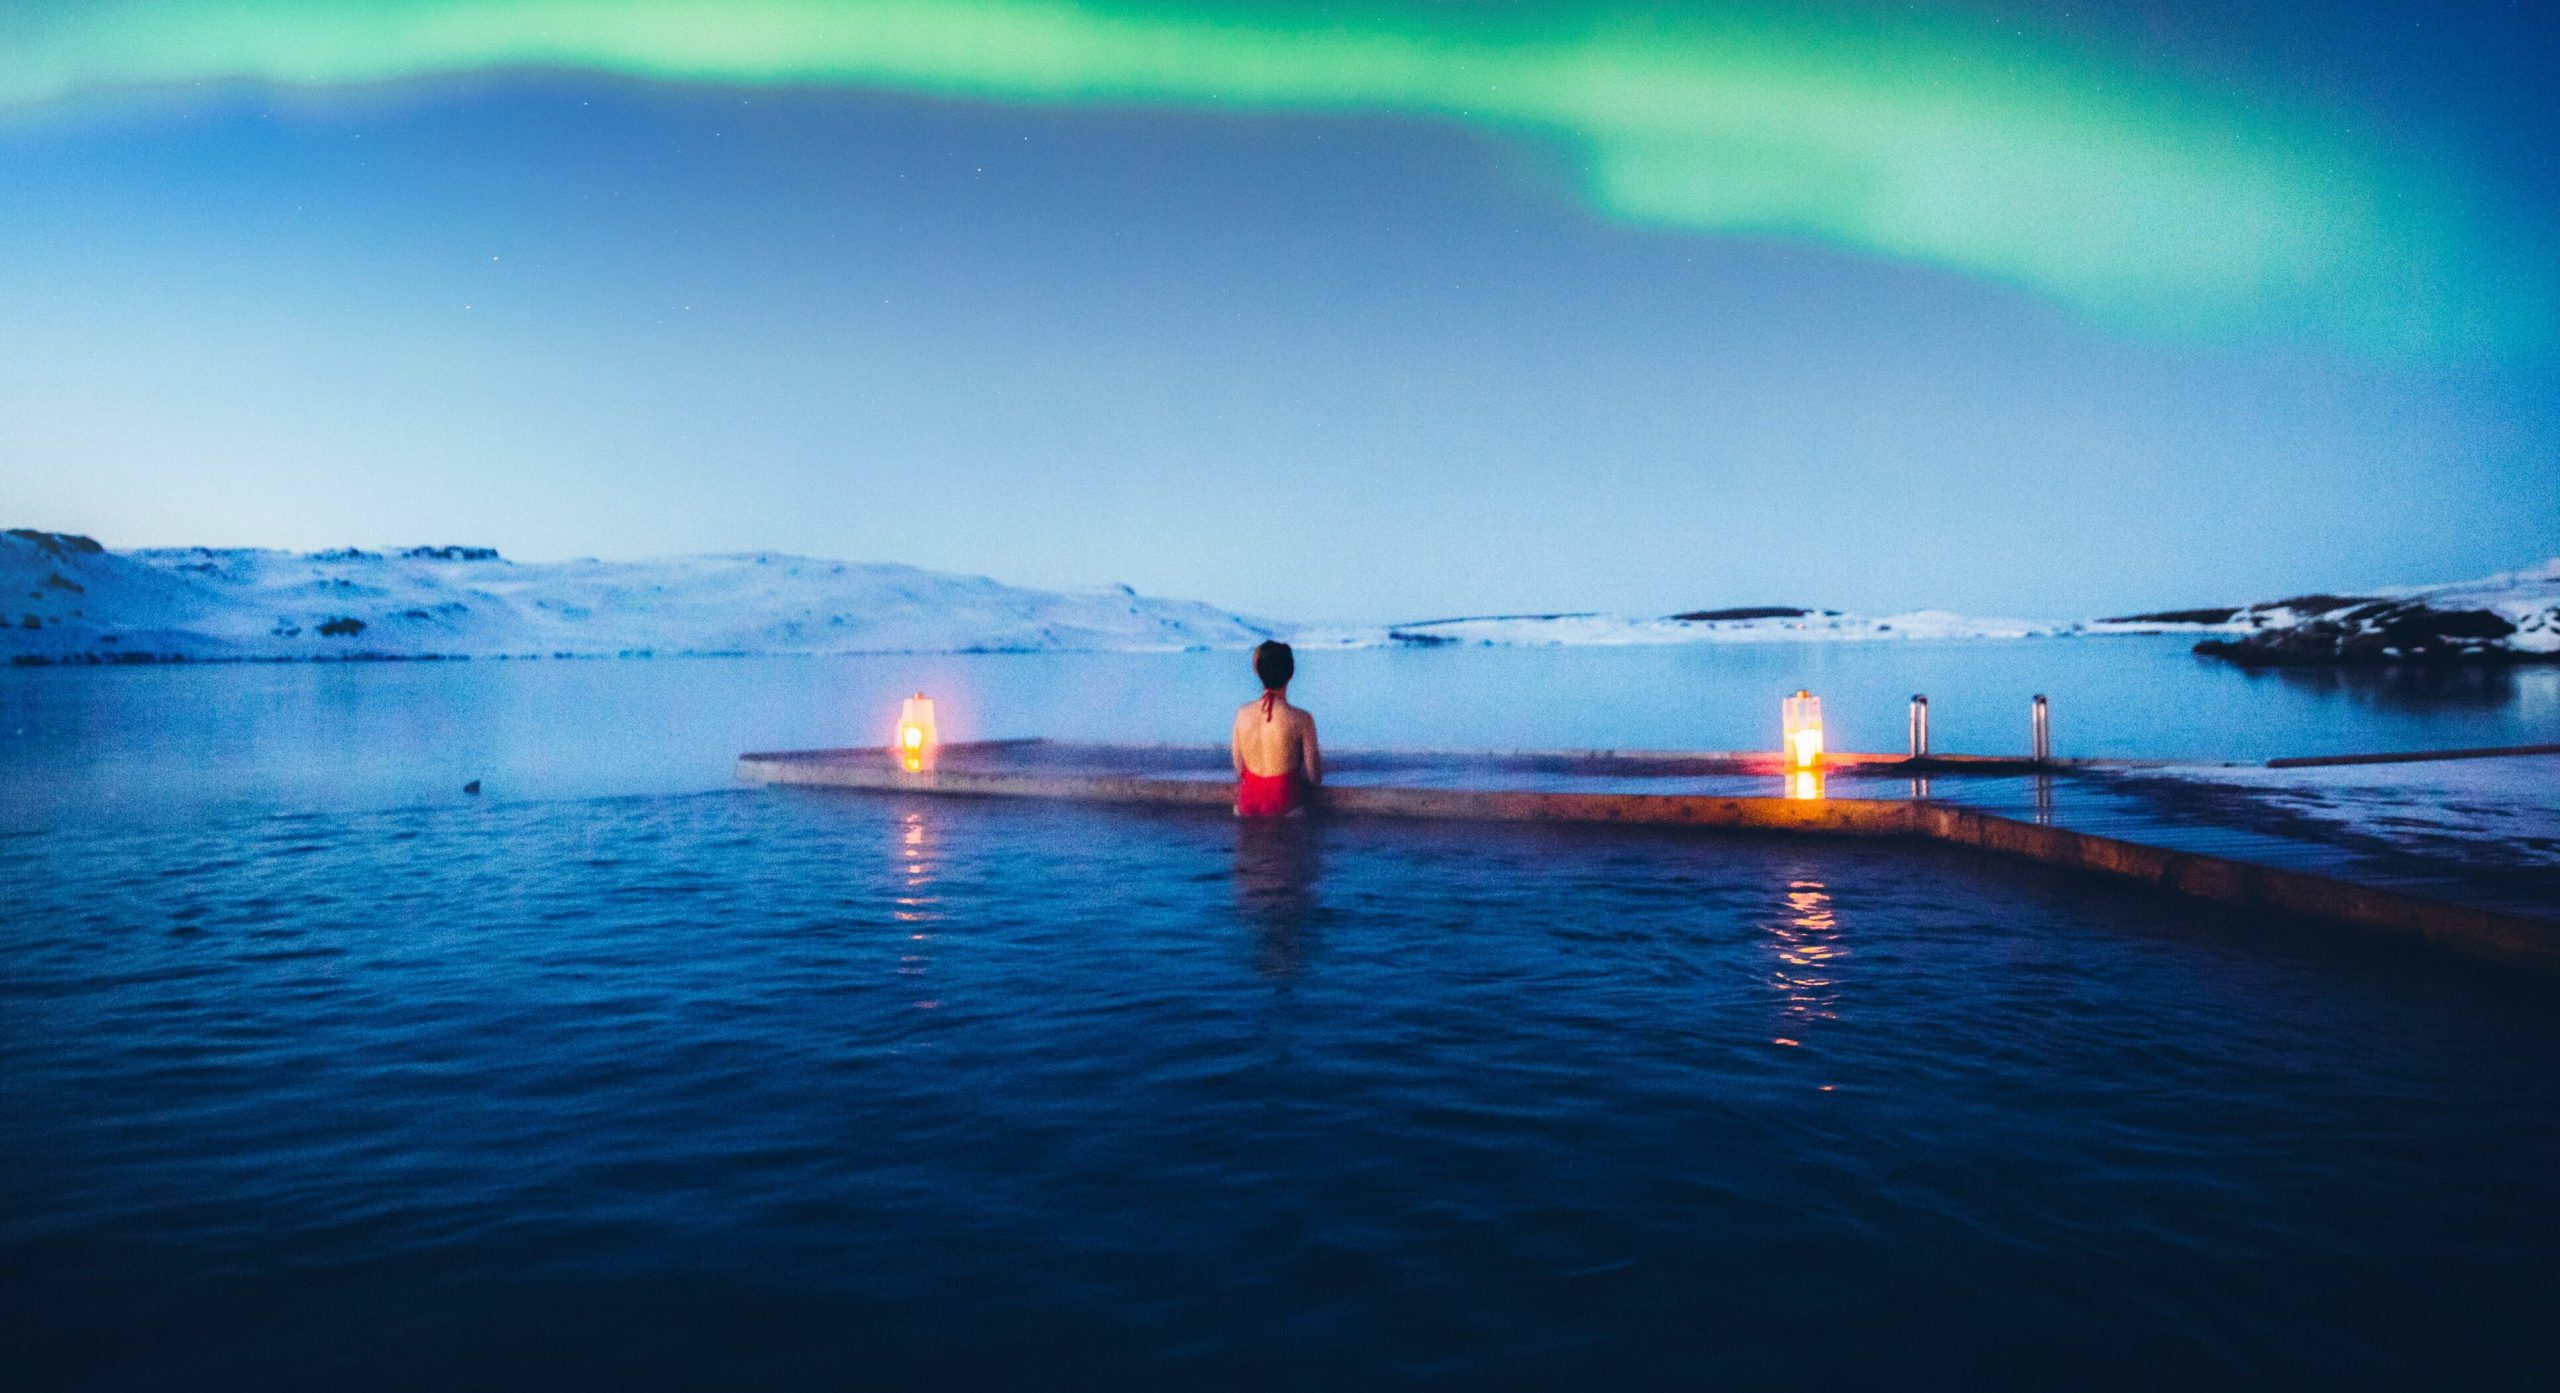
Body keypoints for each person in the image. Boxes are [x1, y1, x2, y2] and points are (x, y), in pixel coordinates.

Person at [1232, 640, 1321, 817]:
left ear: (1257, 672)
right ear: (1291, 673)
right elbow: (1315, 778)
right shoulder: (1302, 719)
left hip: (1246, 805)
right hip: (1286, 806)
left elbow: (1239, 769)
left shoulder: (1242, 714)